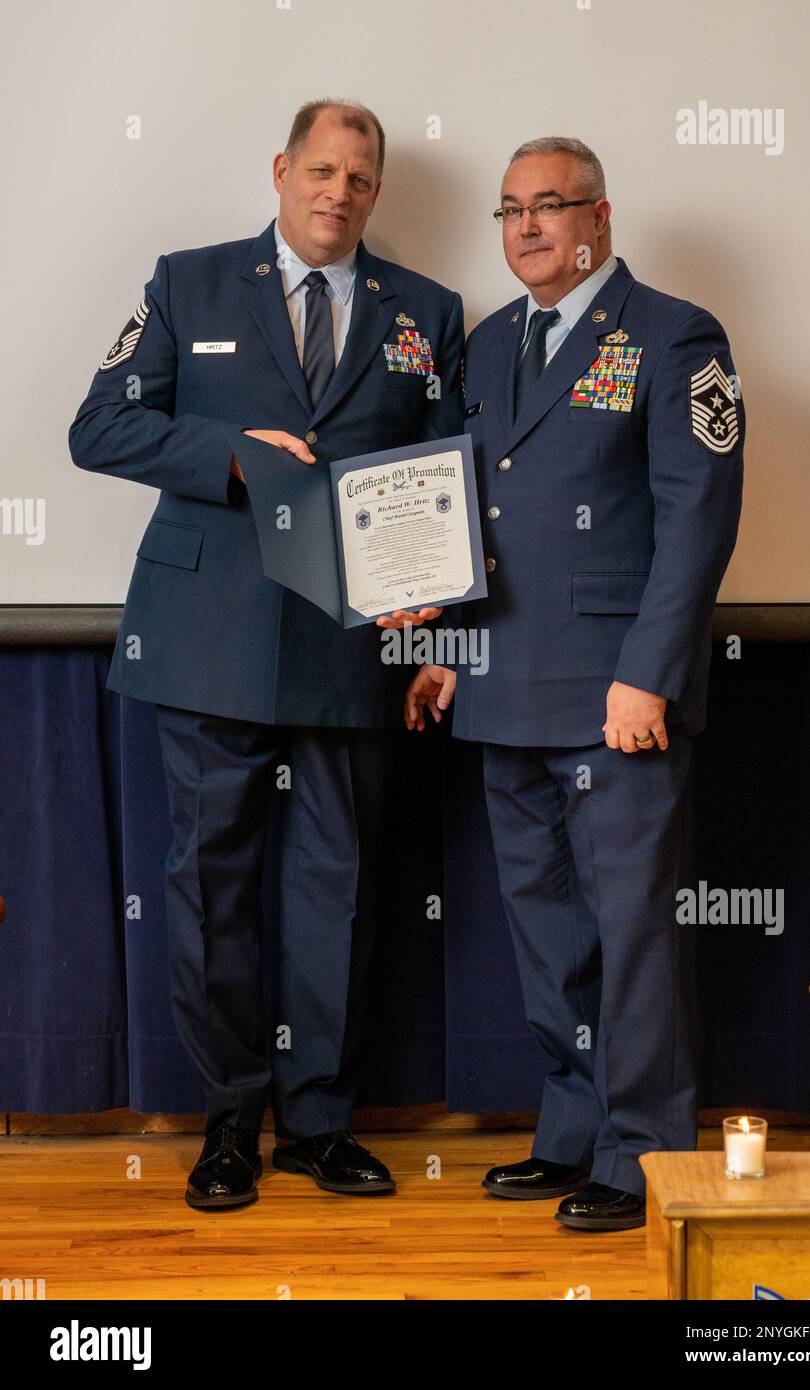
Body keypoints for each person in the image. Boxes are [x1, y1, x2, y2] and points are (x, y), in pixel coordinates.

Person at [69, 98, 463, 1210]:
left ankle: (322, 1124)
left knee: (337, 891)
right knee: (210, 892)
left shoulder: (426, 310)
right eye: (322, 171)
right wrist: (233, 455)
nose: (340, 192)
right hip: (205, 640)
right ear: (282, 171)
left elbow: (446, 470)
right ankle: (229, 1122)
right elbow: (100, 425)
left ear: (377, 193)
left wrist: (431, 612)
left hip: (352, 643)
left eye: (362, 178)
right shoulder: (185, 283)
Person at [404, 136, 744, 1232]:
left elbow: (698, 524)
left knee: (633, 929)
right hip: (503, 686)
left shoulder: (676, 335)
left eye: (550, 205)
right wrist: (446, 651)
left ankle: (643, 1150)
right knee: (547, 929)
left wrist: (646, 676)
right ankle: (573, 1128)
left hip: (616, 701)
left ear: (602, 215)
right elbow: (467, 516)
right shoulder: (492, 339)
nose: (527, 227)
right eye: (510, 209)